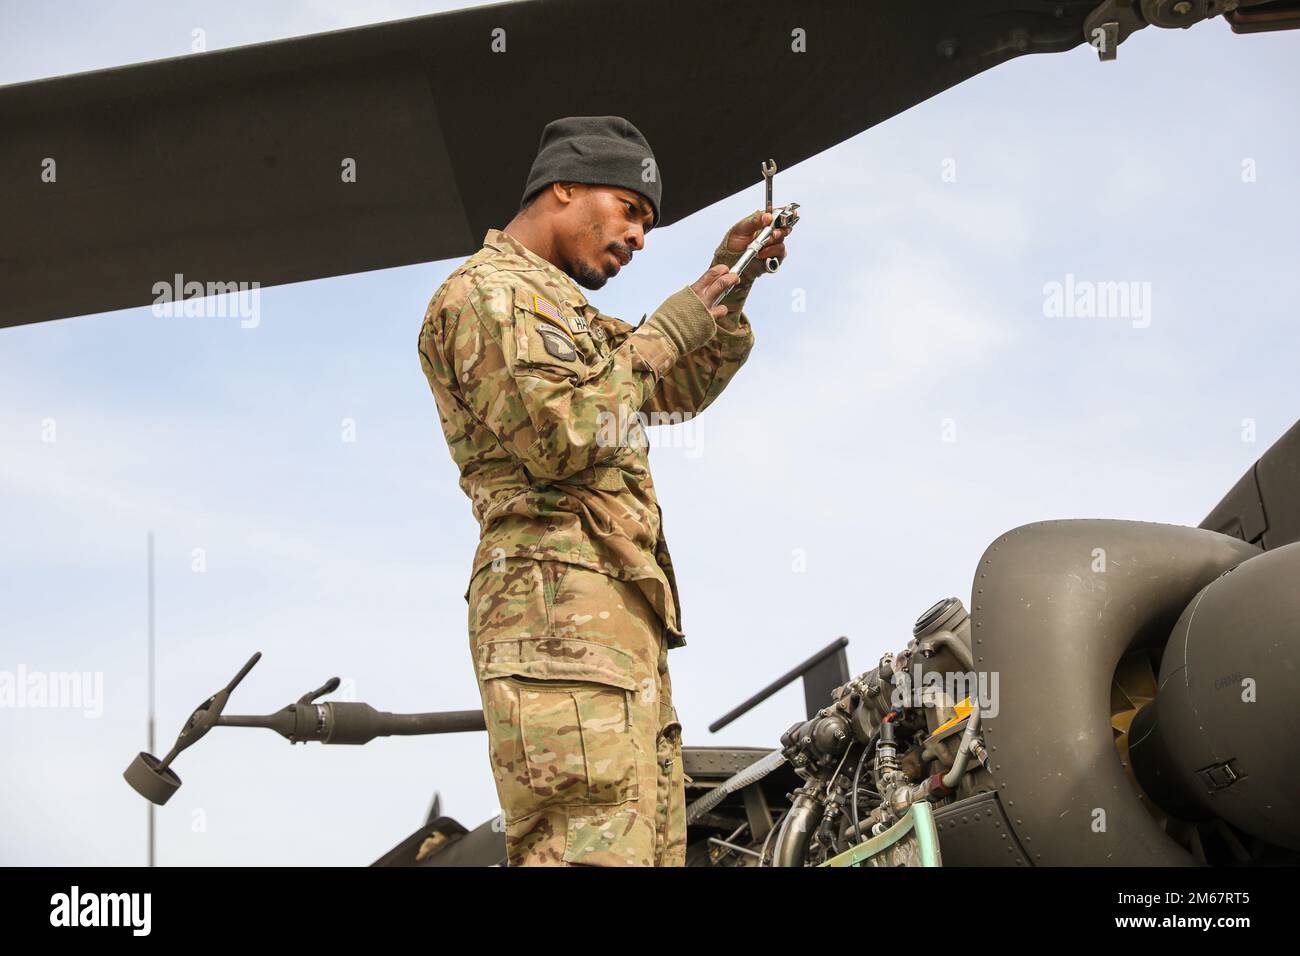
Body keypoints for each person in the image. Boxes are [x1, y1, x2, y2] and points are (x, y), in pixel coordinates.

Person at [417, 115, 793, 866]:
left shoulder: (563, 311)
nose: (639, 238)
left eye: (648, 224)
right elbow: (563, 436)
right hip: (555, 617)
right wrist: (669, 326)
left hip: (613, 622)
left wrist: (730, 288)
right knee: (583, 850)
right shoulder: (486, 294)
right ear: (564, 187)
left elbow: (674, 390)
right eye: (630, 210)